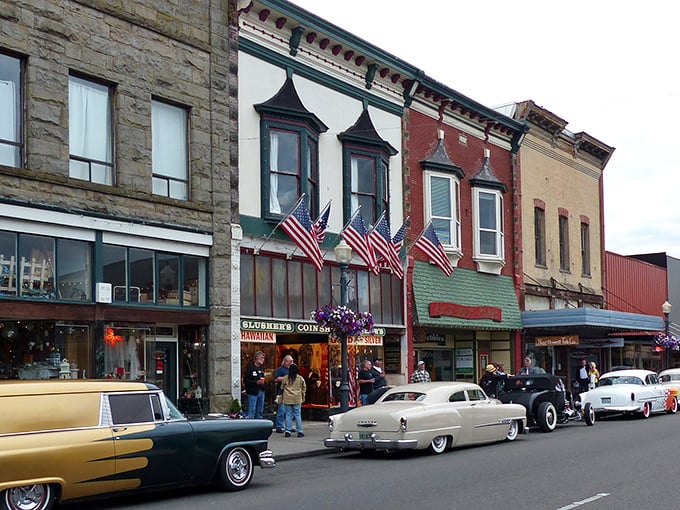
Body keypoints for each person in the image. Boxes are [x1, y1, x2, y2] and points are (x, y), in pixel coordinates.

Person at [281, 363, 306, 437]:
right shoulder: (300, 378)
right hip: (297, 398)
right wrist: (303, 396)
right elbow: (304, 387)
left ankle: (288, 431)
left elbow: (282, 387)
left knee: (288, 415)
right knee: (297, 415)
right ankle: (300, 431)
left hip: (287, 398)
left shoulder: (286, 378)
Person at [273, 354, 293, 432]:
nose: (291, 363)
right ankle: (279, 426)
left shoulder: (292, 370)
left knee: (290, 411)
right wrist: (286, 378)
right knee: (281, 410)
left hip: (291, 392)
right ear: (285, 361)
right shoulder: (280, 370)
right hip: (282, 392)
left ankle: (288, 426)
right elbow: (276, 379)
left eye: (292, 361)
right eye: (290, 361)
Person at [244, 351, 266, 419]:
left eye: (263, 358)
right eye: (262, 358)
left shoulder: (261, 368)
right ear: (257, 358)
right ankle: (251, 425)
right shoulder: (250, 368)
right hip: (252, 392)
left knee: (260, 410)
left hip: (261, 391)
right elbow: (246, 380)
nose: (263, 359)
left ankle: (259, 425)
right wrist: (256, 382)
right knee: (252, 409)